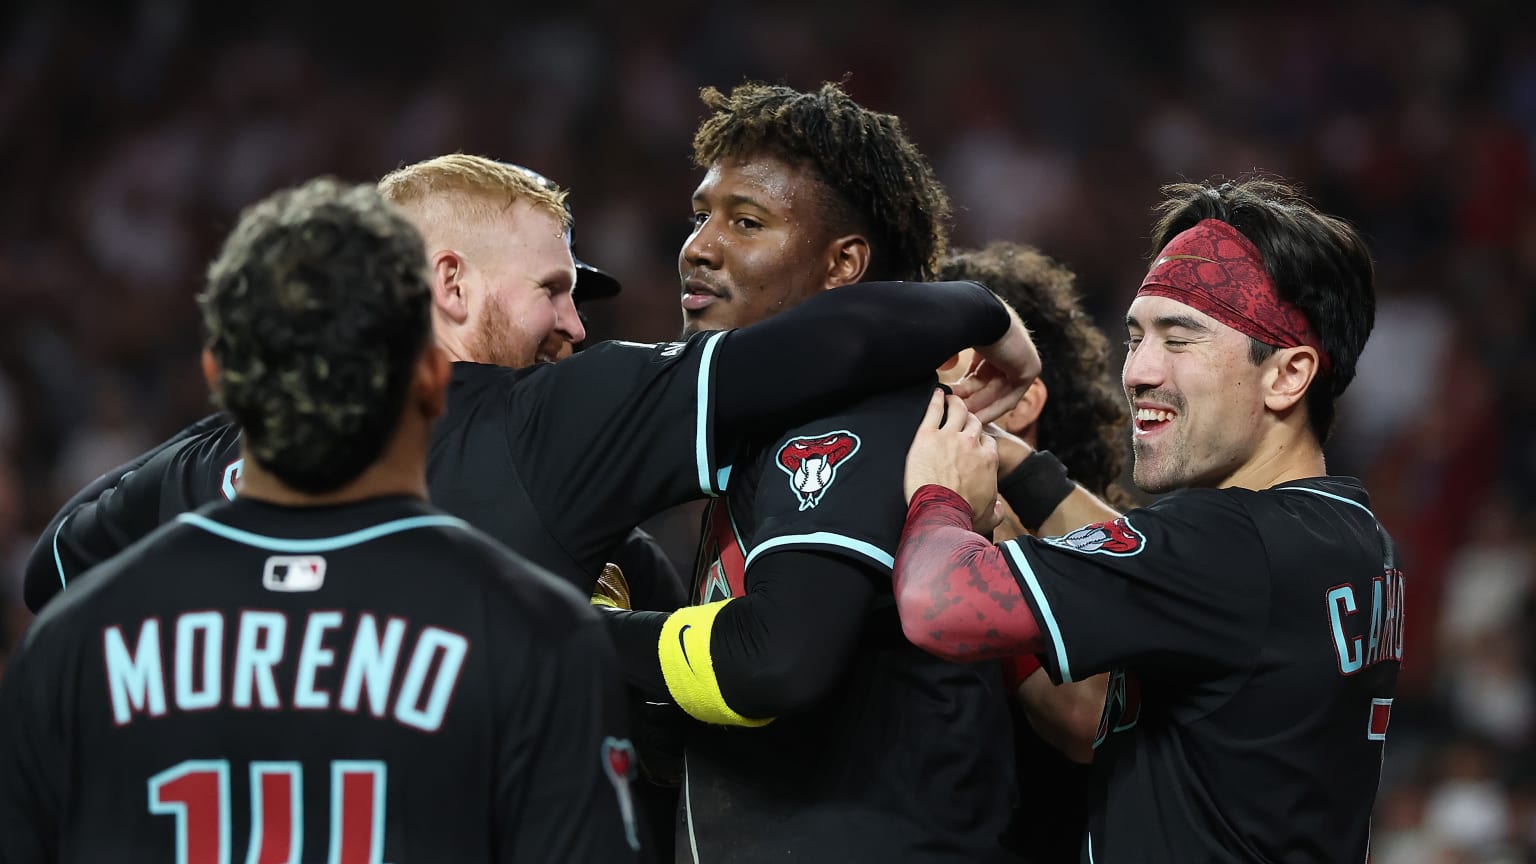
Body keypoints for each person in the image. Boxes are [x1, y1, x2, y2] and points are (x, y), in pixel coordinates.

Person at [24, 154, 1039, 613]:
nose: (572, 322)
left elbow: (56, 570)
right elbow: (827, 340)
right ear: (450, 285)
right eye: (554, 288)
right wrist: (986, 316)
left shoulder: (218, 458)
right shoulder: (544, 423)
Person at [0, 178, 642, 862]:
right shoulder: (535, 631)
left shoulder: (71, 645)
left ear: (221, 374)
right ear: (430, 375)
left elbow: (55, 563)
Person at [893, 178, 1394, 863]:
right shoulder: (1350, 530)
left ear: (1287, 374)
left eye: (1180, 339)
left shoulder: (1222, 542)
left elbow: (935, 604)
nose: (1138, 372)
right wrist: (1018, 466)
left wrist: (940, 495)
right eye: (1136, 337)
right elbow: (1139, 555)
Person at [600, 81, 1036, 863]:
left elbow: (777, 660)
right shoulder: (766, 432)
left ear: (843, 265)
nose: (698, 245)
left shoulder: (849, 420)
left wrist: (576, 639)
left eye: (746, 222)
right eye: (702, 214)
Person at [937, 242, 1131, 864]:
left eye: (941, 365)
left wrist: (995, 544)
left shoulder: (1107, 552)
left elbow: (1088, 720)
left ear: (1021, 400)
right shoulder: (903, 522)